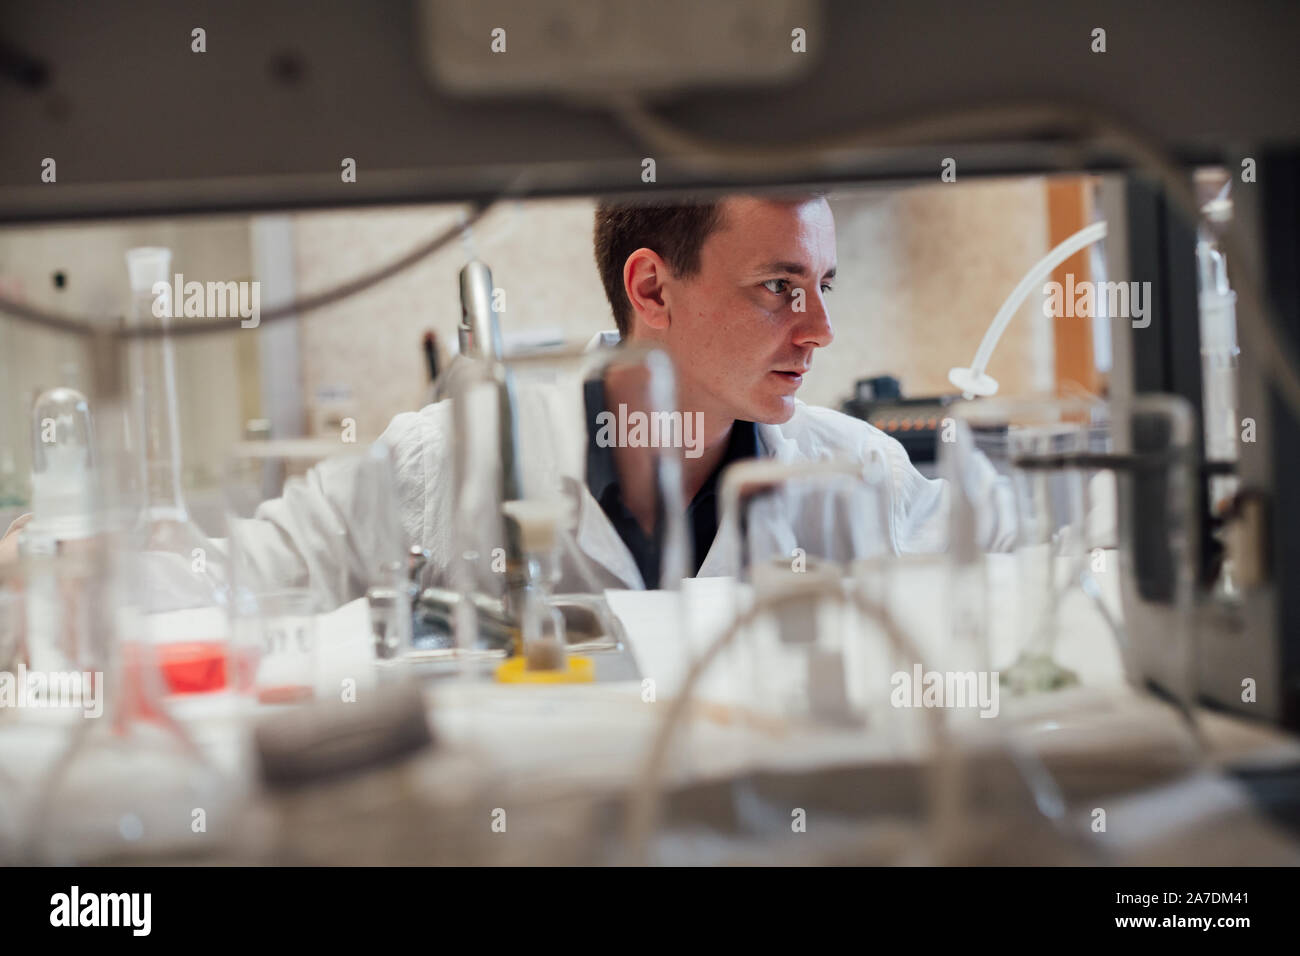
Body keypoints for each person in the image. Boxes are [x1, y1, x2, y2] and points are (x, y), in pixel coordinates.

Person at [1, 193, 1014, 601]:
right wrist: (47, 570)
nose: (819, 330)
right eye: (779, 289)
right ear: (652, 288)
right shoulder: (442, 459)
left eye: (822, 288)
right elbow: (234, 586)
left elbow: (1012, 581)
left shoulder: (863, 475)